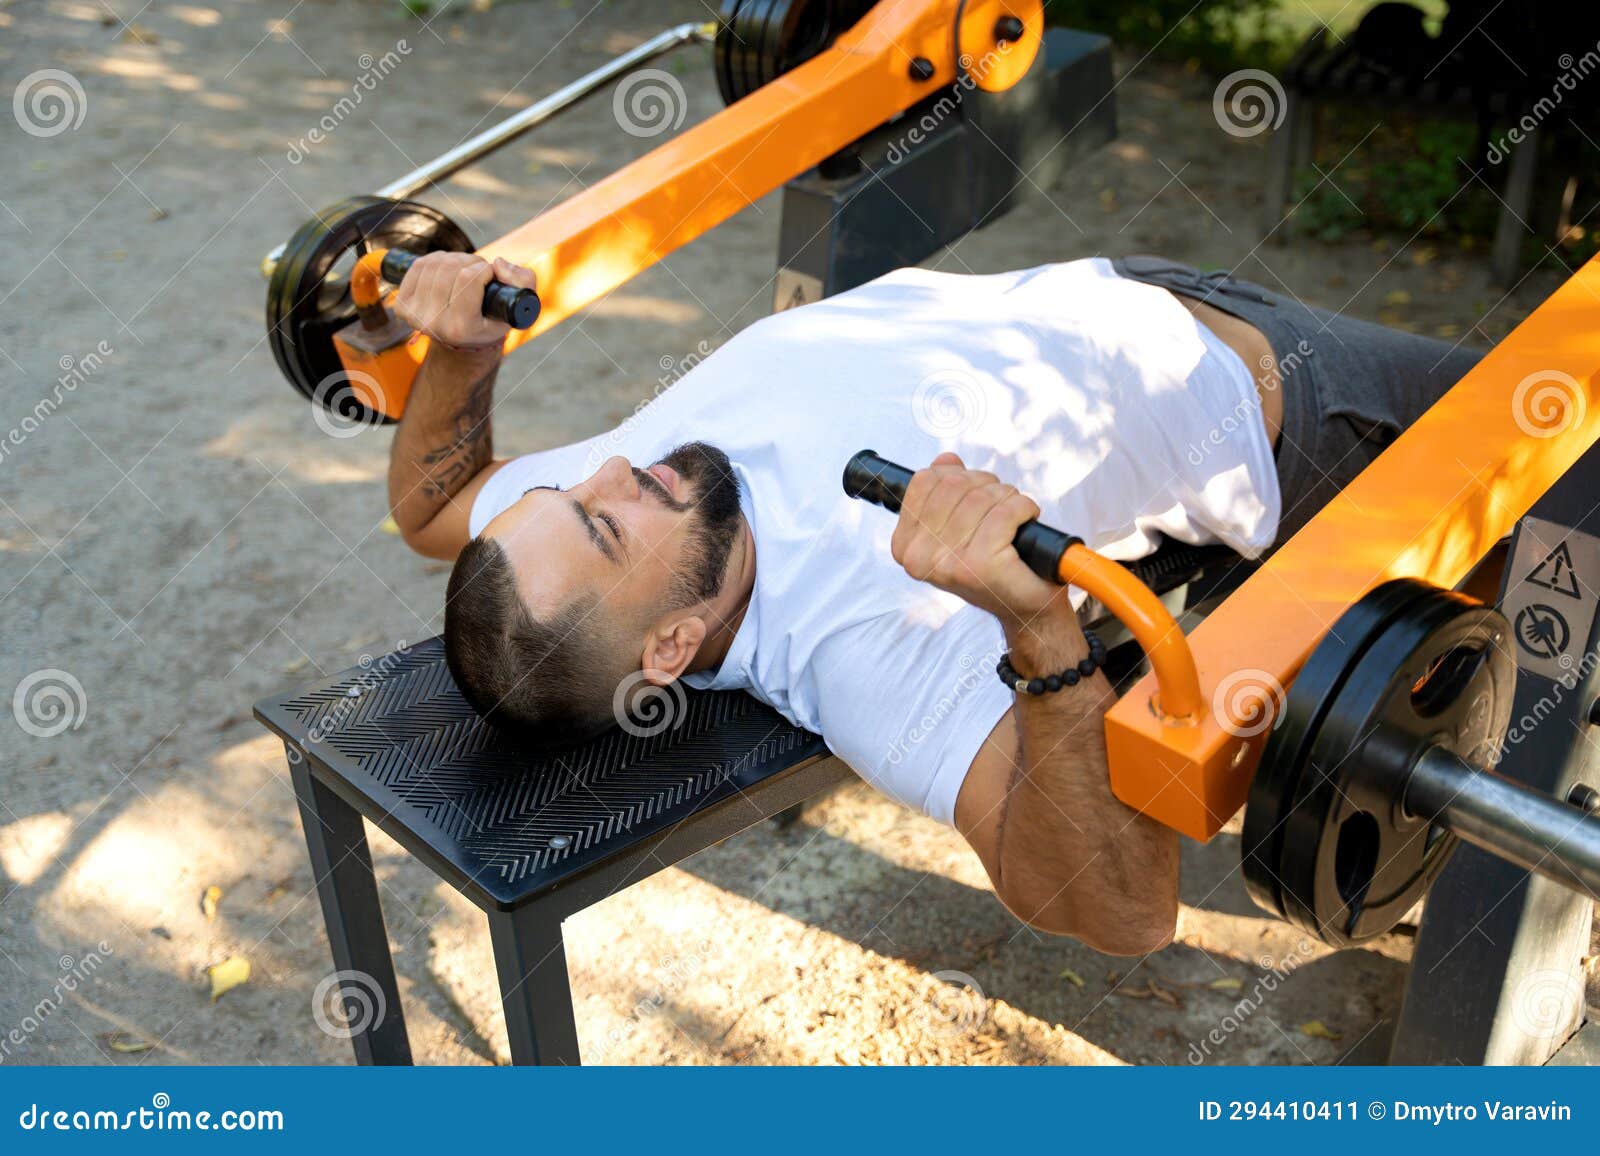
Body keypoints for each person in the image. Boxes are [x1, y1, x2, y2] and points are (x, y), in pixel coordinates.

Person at [384, 250, 1480, 954]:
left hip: (1105, 279)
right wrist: (1039, 627)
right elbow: (1124, 913)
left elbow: (432, 509)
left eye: (574, 485)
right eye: (606, 520)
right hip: (1278, 399)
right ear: (673, 643)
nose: (613, 470)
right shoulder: (856, 643)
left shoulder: (566, 521)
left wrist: (462, 356)